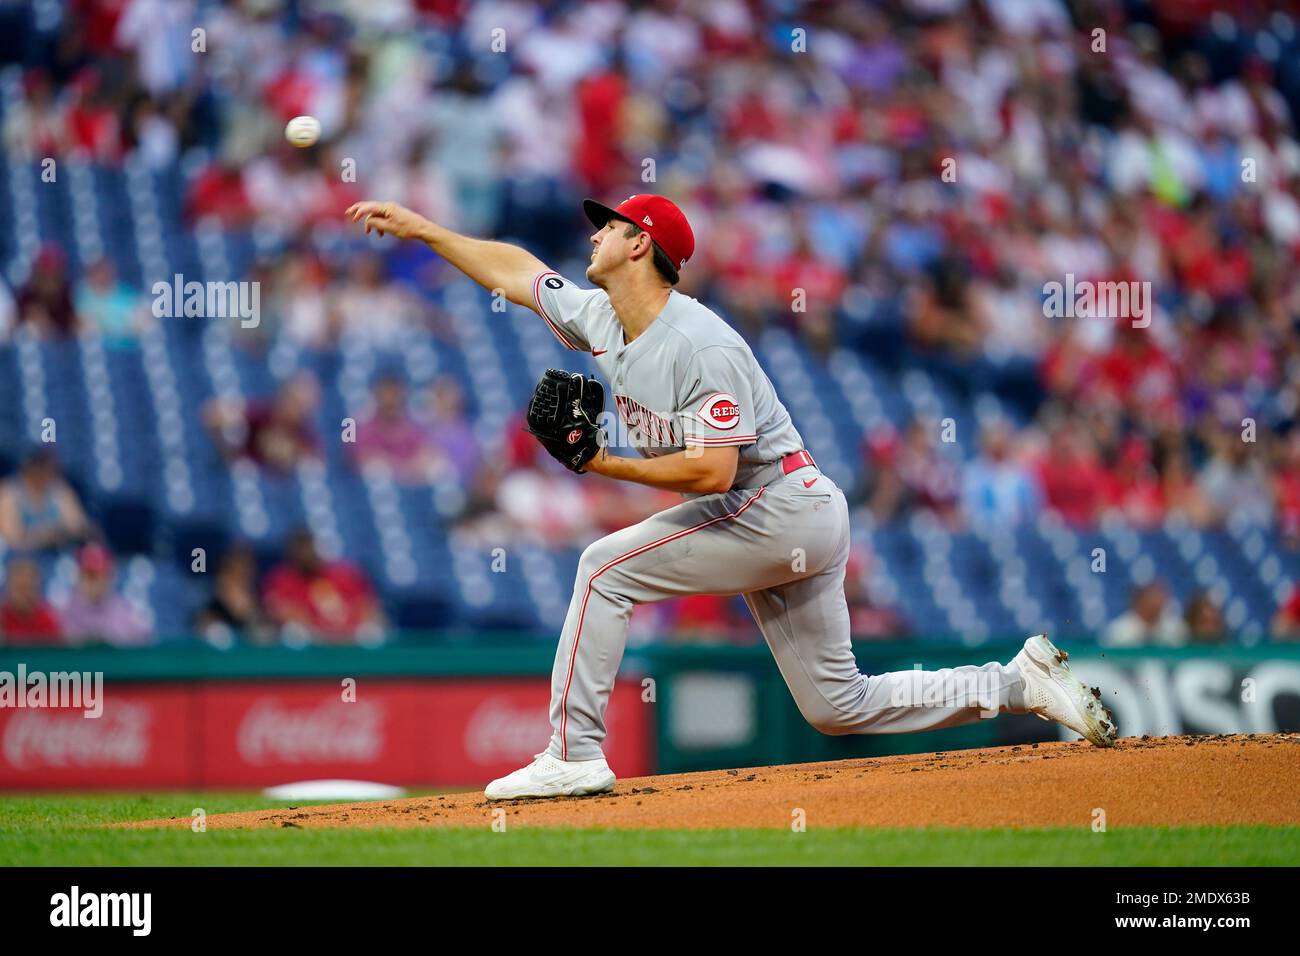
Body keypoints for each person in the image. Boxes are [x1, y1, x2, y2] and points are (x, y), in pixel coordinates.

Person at [346, 193, 1118, 801]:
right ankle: (1019, 683)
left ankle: (573, 755)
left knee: (603, 568)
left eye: (606, 228)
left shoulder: (700, 343)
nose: (592, 238)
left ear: (639, 243)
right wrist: (424, 230)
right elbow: (517, 272)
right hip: (782, 511)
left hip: (777, 505)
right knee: (835, 704)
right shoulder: (604, 317)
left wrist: (601, 462)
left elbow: (713, 473)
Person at [262, 529, 384, 644]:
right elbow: (278, 609)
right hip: (313, 635)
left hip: (349, 632)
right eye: (302, 550)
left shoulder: (343, 575)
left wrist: (351, 624)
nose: (307, 554)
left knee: (372, 632)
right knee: (294, 633)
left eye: (310, 548)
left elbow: (366, 604)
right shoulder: (283, 579)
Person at [0, 448, 92, 553]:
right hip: (19, 557)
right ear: (27, 467)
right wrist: (44, 536)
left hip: (55, 553)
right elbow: (11, 538)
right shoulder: (9, 491)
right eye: (38, 466)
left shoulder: (59, 489)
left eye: (46, 468)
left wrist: (59, 535)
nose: (42, 473)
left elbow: (78, 525)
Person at [58, 543, 150, 647]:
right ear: (80, 577)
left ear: (111, 576)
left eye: (103, 575)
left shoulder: (123, 609)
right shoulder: (66, 611)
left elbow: (144, 641)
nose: (98, 582)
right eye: (91, 576)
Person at [1102, 581, 1189, 648]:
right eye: (1153, 598)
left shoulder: (1173, 627)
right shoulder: (1119, 629)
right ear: (1140, 601)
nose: (1158, 603)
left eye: (1160, 598)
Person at [0, 558, 62, 645]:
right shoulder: (2, 617)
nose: (24, 595)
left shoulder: (48, 620)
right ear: (9, 588)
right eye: (19, 588)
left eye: (28, 588)